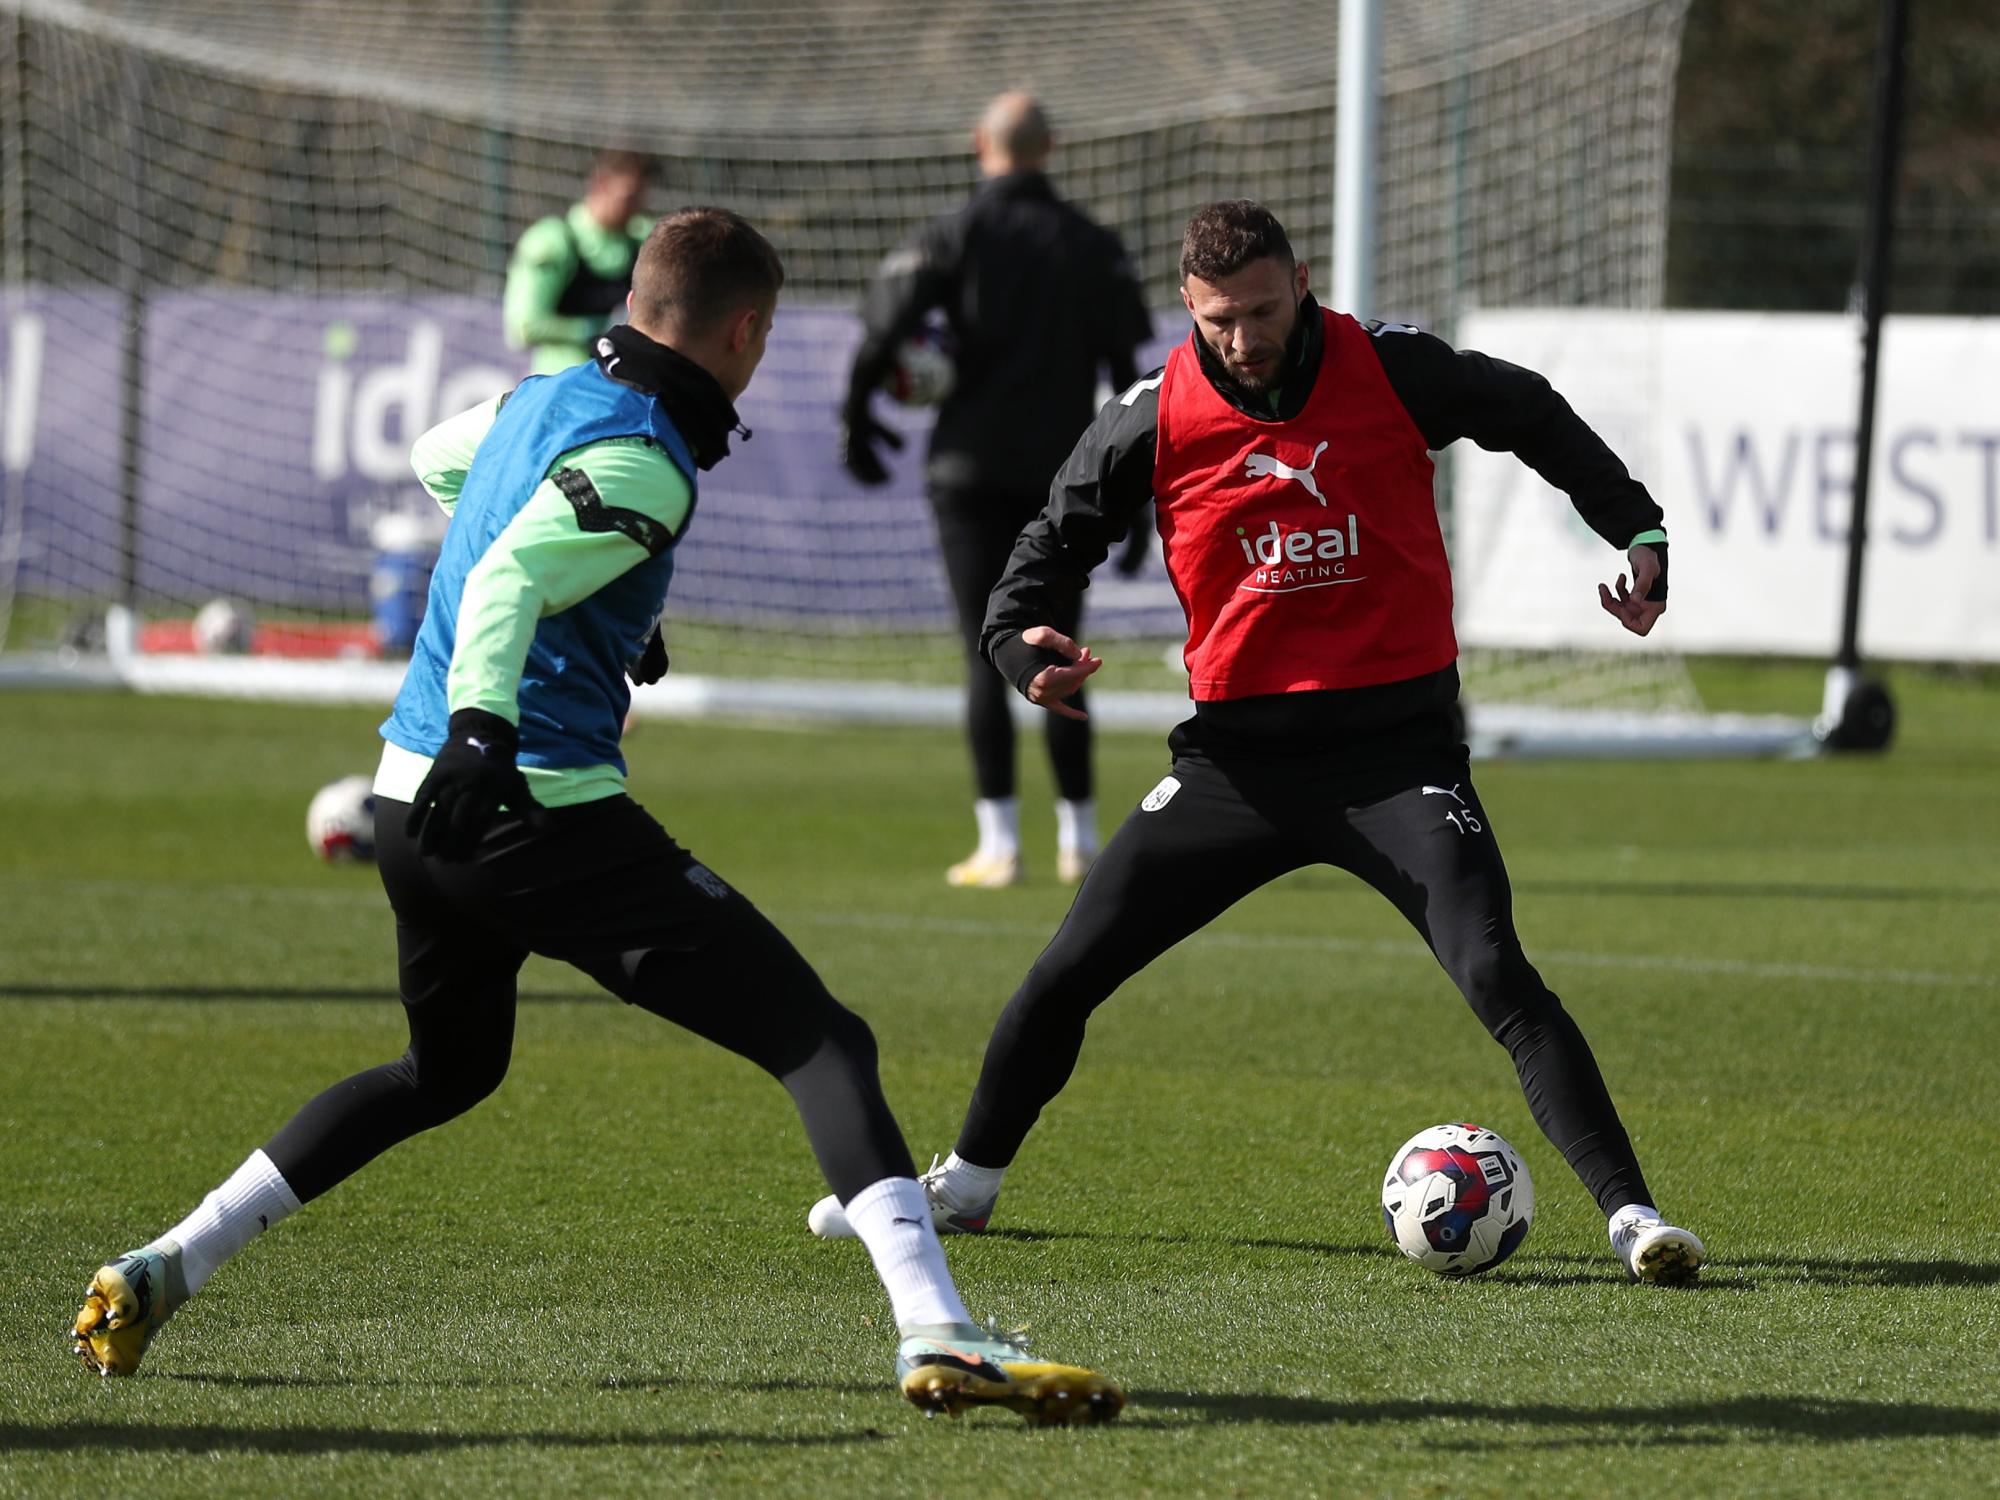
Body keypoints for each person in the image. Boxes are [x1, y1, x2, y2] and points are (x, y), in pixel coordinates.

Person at [72, 207, 1122, 1425]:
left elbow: (438, 460)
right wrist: (486, 719)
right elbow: (517, 570)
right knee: (820, 1041)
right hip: (531, 812)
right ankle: (939, 1334)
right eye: (764, 336)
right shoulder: (647, 458)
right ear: (741, 331)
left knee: (443, 1071)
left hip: (412, 811)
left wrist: (607, 589)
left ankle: (166, 1263)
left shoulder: (536, 400)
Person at [810, 199, 1707, 1287]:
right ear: (1187, 305)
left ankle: (1632, 1218)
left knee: (1495, 971)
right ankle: (967, 1185)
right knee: (1062, 976)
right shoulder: (1149, 415)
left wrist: (1636, 527)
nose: (1245, 336)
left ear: (1300, 282)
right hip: (1231, 771)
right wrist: (1016, 643)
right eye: (1221, 317)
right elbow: (1047, 547)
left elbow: (1527, 412)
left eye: (1265, 308)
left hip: (1399, 761)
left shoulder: (1389, 367)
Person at [839, 92, 1154, 889]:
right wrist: (1138, 485)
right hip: (1065, 479)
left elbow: (883, 328)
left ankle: (999, 846)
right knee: (1066, 649)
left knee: (990, 653)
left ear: (979, 143)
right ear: (1050, 146)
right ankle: (1080, 840)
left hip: (969, 473)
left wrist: (857, 415)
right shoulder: (1089, 242)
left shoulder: (954, 233)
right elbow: (1129, 375)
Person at [503, 148, 656, 375]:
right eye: (630, 197)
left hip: (624, 392)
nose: (637, 207)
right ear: (601, 184)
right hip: (563, 387)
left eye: (642, 197)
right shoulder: (553, 242)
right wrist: (596, 330)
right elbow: (523, 327)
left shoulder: (644, 239)